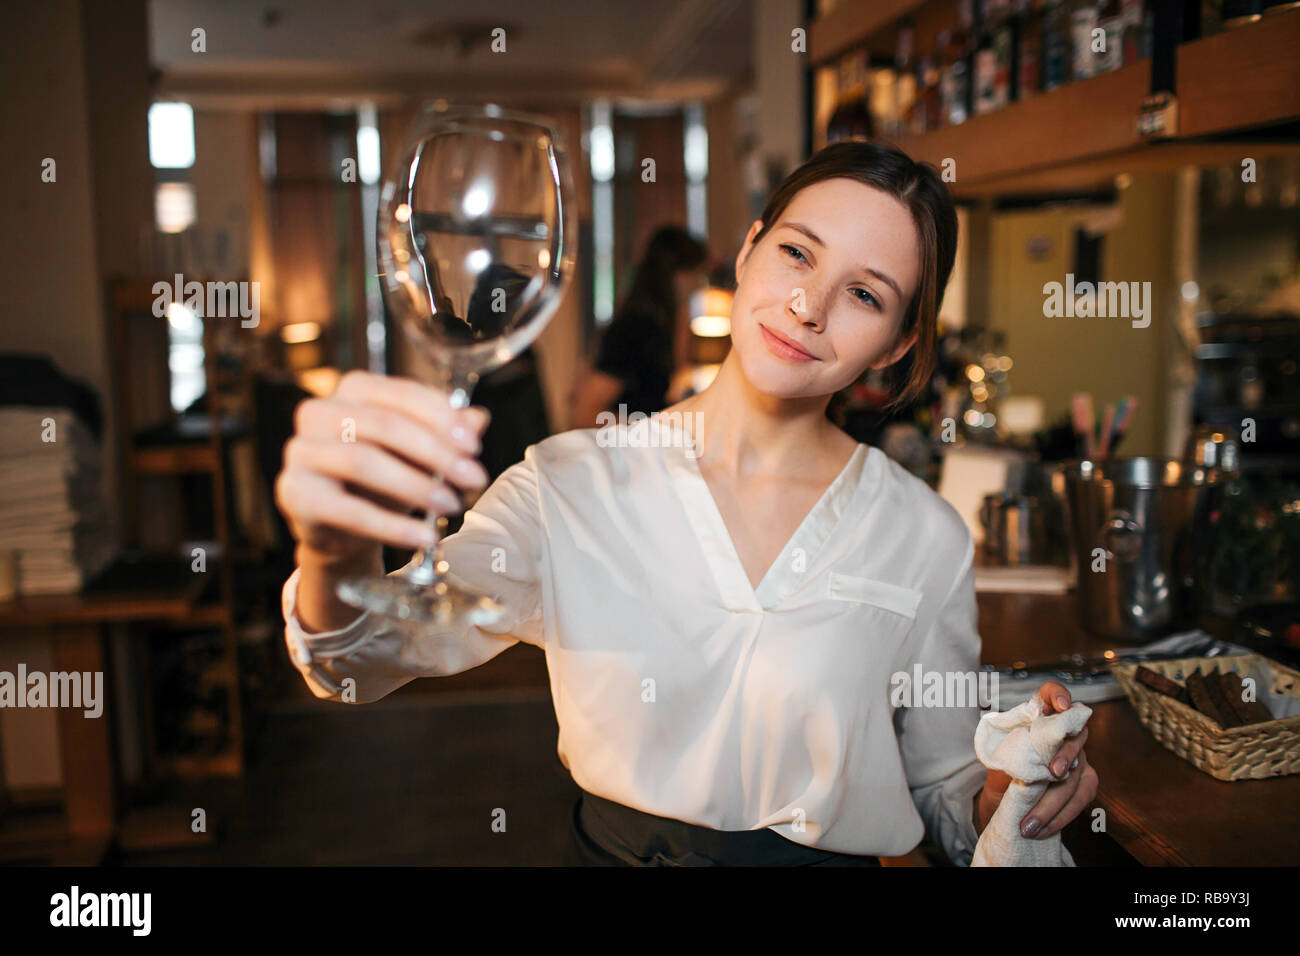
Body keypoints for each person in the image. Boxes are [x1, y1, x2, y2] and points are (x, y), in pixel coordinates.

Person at [274, 140, 1097, 866]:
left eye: (866, 295)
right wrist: (330, 547)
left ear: (901, 342)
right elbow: (356, 663)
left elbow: (941, 792)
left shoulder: (925, 534)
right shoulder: (569, 485)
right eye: (799, 255)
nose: (808, 307)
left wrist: (1011, 799)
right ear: (747, 252)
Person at [568, 225, 708, 427]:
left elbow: (680, 369)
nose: (698, 285)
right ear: (676, 274)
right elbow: (585, 413)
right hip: (625, 450)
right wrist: (656, 428)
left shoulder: (661, 324)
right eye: (696, 274)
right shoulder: (635, 330)